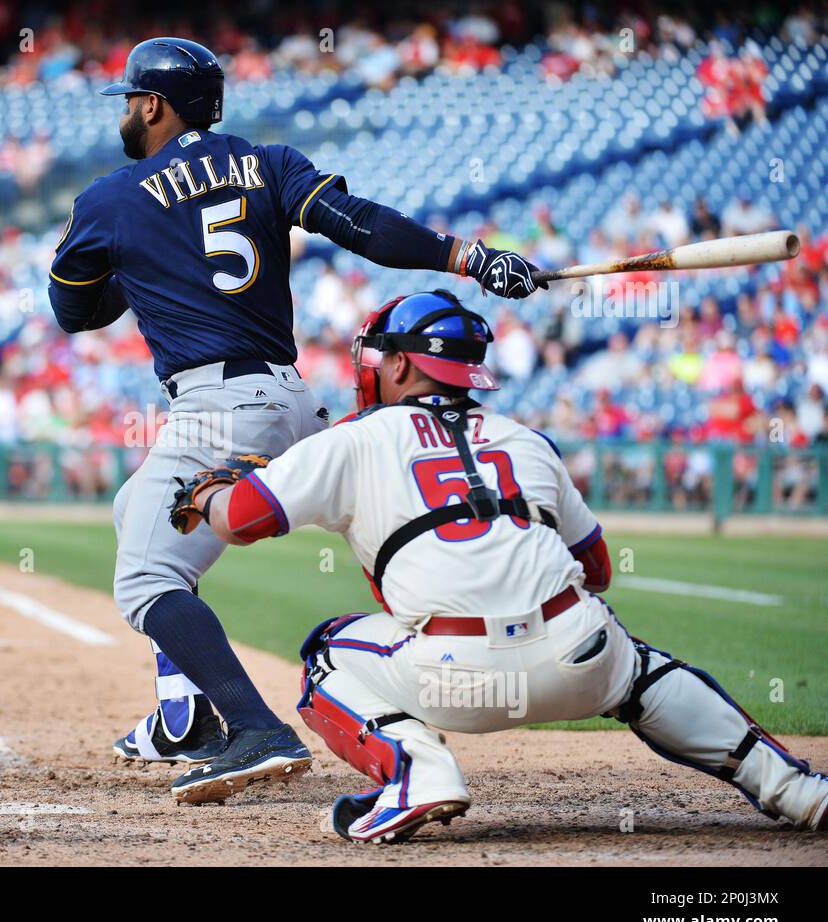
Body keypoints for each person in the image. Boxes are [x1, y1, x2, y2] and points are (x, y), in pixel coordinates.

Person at [47, 38, 546, 804]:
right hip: (290, 400)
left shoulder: (112, 198)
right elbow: (360, 226)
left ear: (152, 104)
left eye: (129, 99)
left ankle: (254, 730)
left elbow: (75, 310)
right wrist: (472, 260)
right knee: (146, 511)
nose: (126, 111)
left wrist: (138, 260)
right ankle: (184, 716)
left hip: (216, 410)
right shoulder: (269, 162)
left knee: (148, 576)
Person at [170, 289, 828, 839]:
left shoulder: (354, 440)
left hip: (455, 681)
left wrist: (207, 492)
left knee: (326, 653)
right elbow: (596, 569)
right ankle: (795, 789)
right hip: (581, 658)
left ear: (399, 367)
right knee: (638, 664)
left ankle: (418, 772)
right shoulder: (527, 439)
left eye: (378, 358)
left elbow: (243, 522)